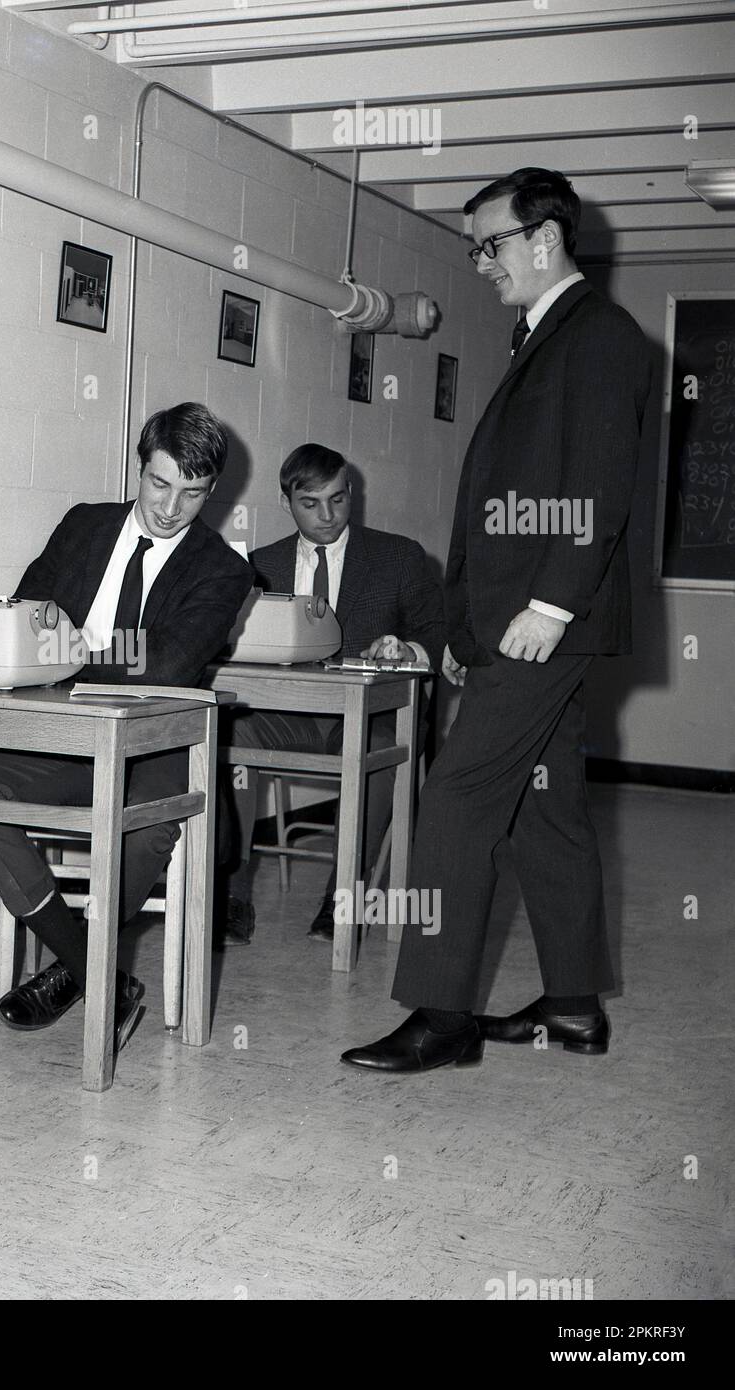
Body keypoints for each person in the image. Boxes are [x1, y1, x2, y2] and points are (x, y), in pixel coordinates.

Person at [342, 168, 651, 1073]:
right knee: (544, 812)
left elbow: (597, 484)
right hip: (514, 619)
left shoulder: (596, 337)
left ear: (543, 238)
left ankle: (440, 1018)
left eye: (489, 243)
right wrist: (462, 627)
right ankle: (572, 1006)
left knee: (456, 799)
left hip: (544, 618)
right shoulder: (546, 338)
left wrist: (549, 606)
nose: (479, 262)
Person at [0, 403, 253, 1051]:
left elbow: (167, 663)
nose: (170, 508)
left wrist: (75, 649)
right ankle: (96, 971)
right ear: (138, 468)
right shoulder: (83, 526)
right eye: (159, 484)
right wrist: (68, 649)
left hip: (157, 741)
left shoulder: (222, 568)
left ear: (212, 491)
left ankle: (69, 970)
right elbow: (27, 621)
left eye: (192, 493)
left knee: (145, 830)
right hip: (67, 735)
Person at [221, 443, 445, 944]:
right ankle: (231, 893)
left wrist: (406, 649)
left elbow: (440, 634)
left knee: (379, 753)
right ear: (286, 502)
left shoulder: (399, 557)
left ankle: (342, 897)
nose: (328, 516)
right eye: (311, 504)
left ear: (352, 494)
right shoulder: (259, 565)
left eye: (339, 500)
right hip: (294, 718)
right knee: (223, 736)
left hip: (371, 718)